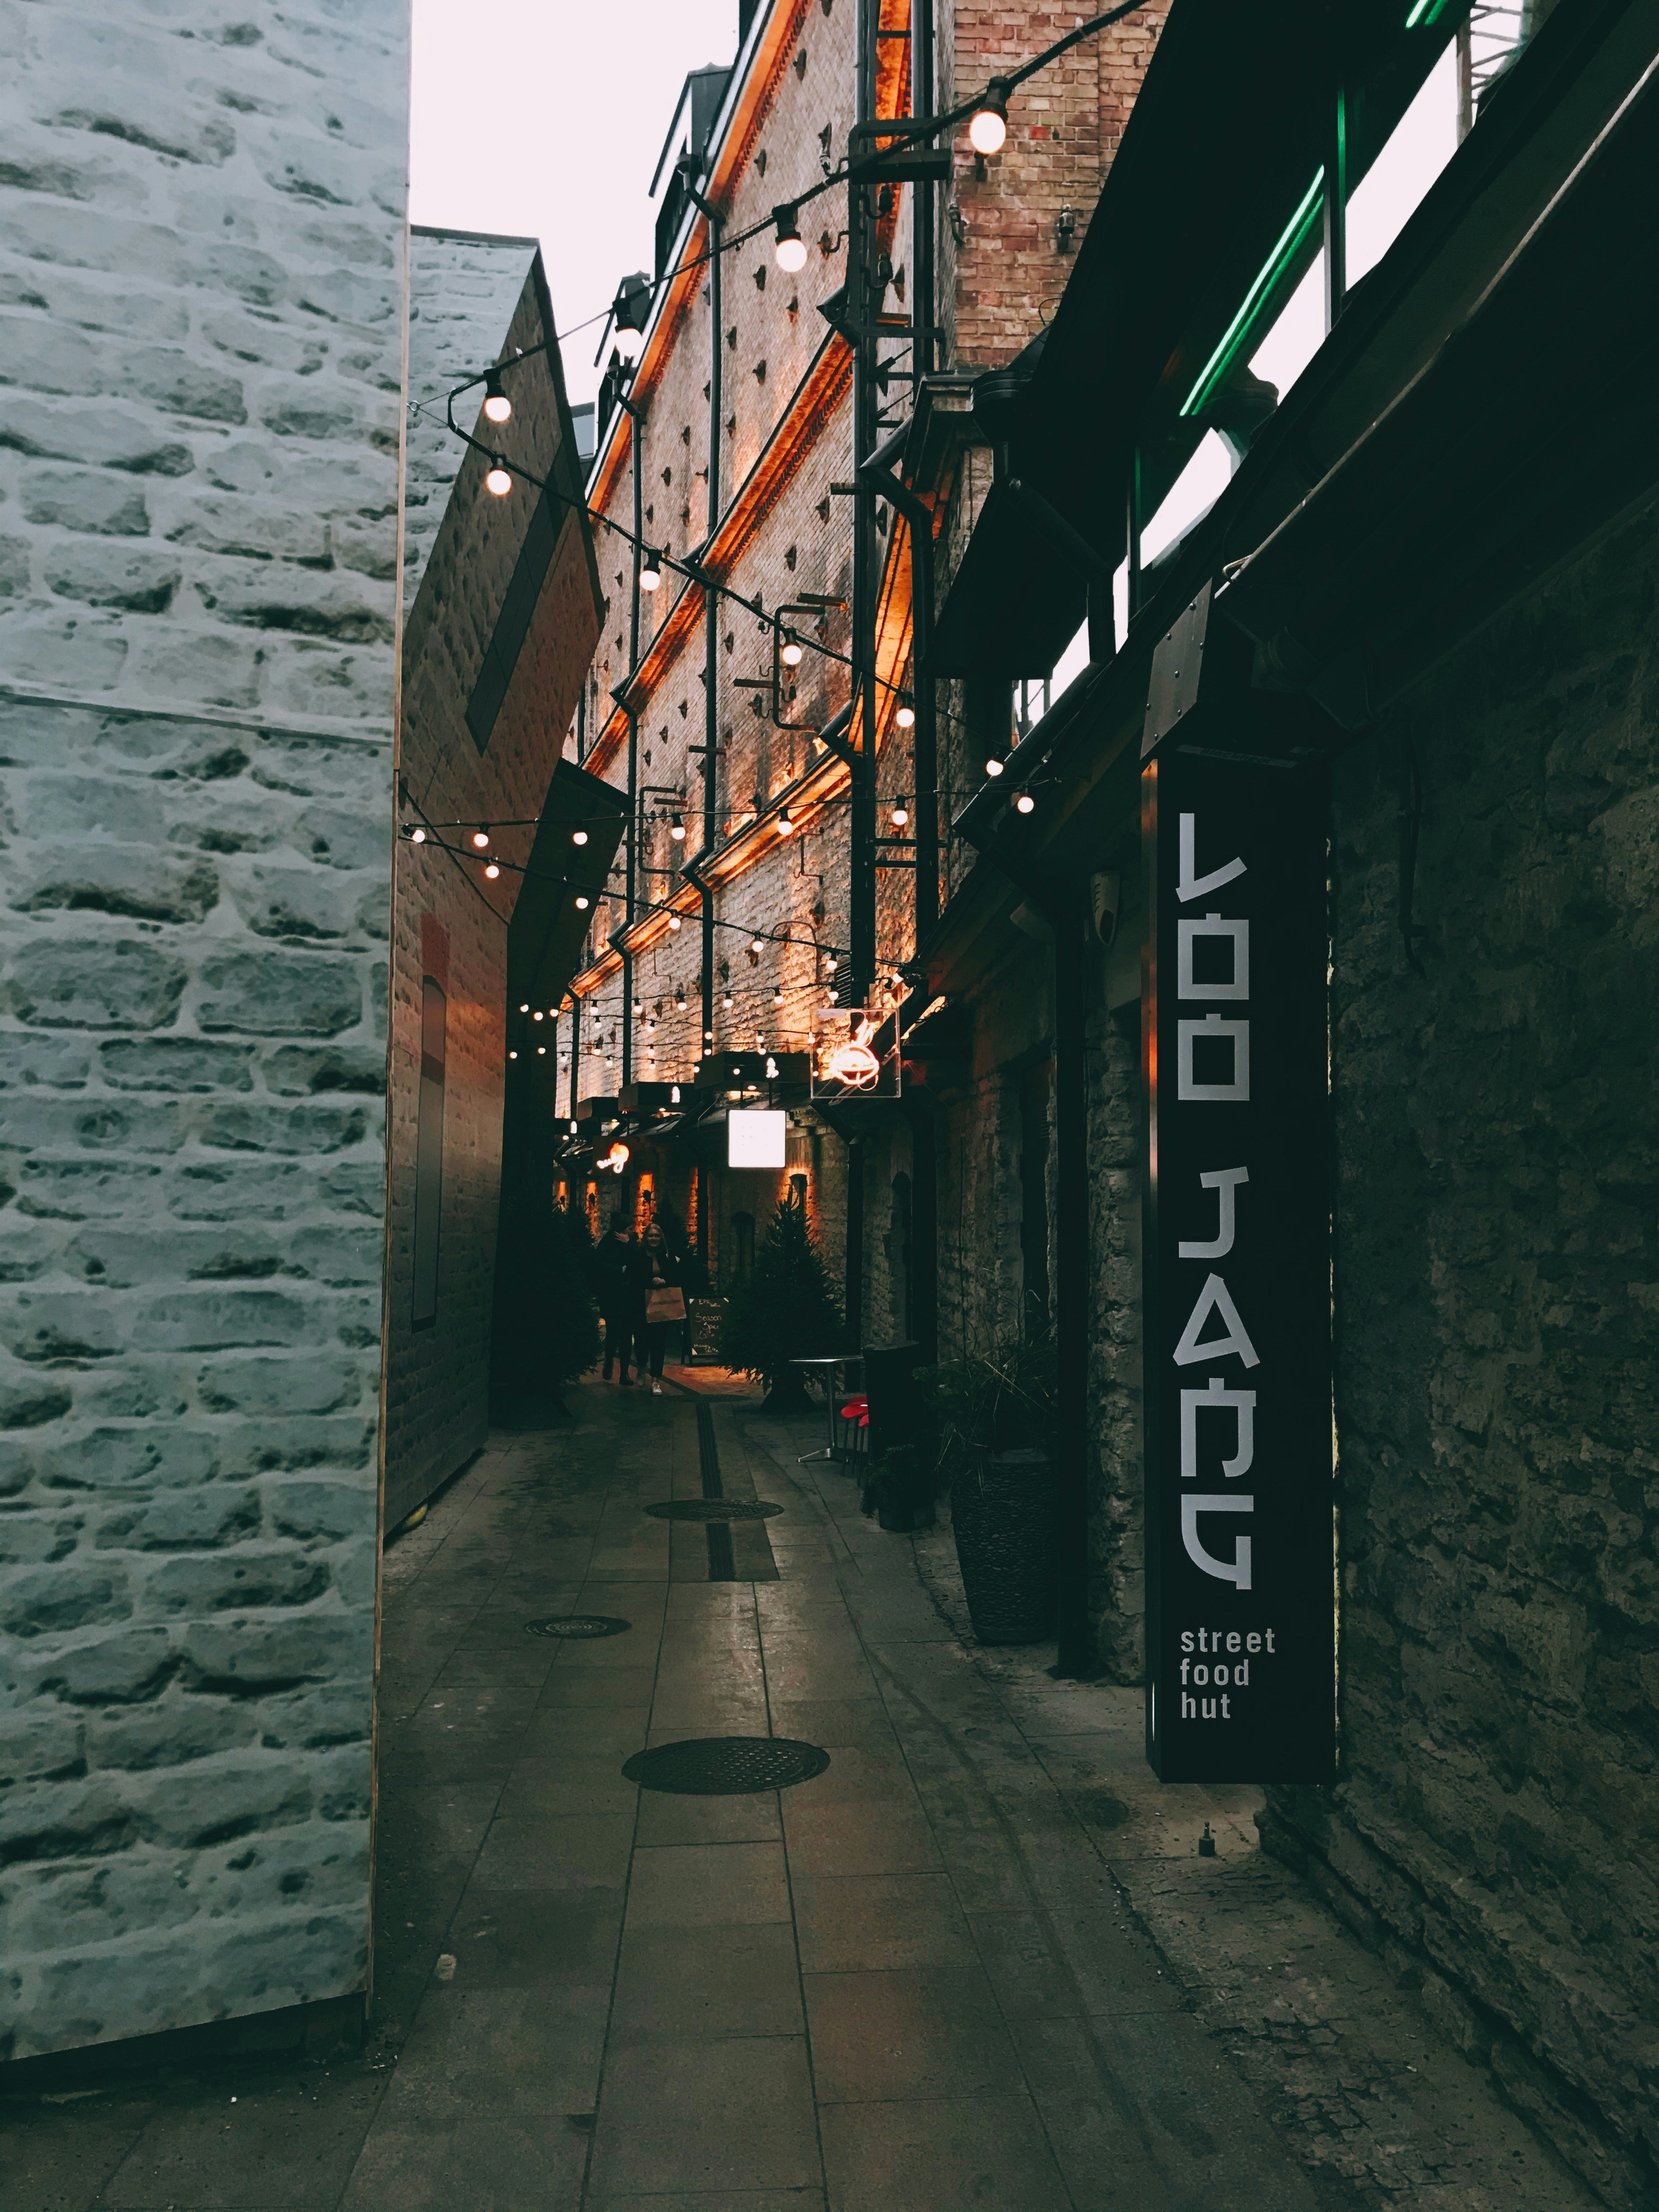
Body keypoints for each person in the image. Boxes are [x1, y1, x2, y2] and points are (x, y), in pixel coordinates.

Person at [636, 1220, 684, 1394]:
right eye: (651, 1235)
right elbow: (634, 1279)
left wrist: (664, 1281)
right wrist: (650, 1282)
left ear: (661, 1238)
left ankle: (656, 1380)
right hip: (642, 1306)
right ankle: (642, 1366)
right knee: (642, 1342)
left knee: (658, 1344)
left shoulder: (669, 1257)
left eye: (657, 1235)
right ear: (646, 1238)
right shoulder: (639, 1256)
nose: (654, 1238)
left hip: (662, 1306)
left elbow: (678, 1278)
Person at [592, 1216, 639, 1385]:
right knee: (613, 1332)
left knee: (627, 1334)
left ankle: (624, 1373)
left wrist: (630, 1244)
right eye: (630, 1229)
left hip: (629, 1297)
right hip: (612, 1296)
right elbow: (598, 1264)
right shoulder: (607, 1244)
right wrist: (619, 1270)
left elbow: (639, 1262)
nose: (633, 1232)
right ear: (621, 1230)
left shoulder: (633, 1245)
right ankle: (609, 1360)